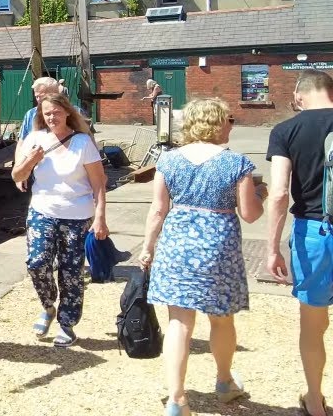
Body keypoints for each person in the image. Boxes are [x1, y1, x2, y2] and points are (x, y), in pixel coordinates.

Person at [138, 98, 263, 416]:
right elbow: (249, 214)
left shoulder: (169, 161)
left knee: (179, 323)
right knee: (221, 321)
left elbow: (157, 210)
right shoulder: (237, 163)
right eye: (229, 120)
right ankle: (224, 383)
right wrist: (262, 195)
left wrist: (147, 247)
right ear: (219, 123)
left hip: (177, 246)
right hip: (217, 251)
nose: (231, 125)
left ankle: (177, 400)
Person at [11, 92, 108, 347]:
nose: (51, 117)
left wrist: (100, 218)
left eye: (55, 112)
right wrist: (30, 161)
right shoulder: (35, 139)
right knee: (36, 262)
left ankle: (67, 323)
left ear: (67, 112)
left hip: (77, 215)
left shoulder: (82, 142)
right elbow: (16, 174)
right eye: (46, 113)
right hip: (43, 210)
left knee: (71, 271)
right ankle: (48, 304)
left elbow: (99, 183)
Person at [266, 70, 333, 416]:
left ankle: (315, 402)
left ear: (299, 95)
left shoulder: (286, 130)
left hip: (314, 233)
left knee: (313, 322)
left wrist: (272, 246)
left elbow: (278, 194)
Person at [15, 77, 67, 193]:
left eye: (42, 96)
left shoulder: (73, 113)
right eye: (36, 96)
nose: (38, 100)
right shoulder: (30, 115)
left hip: (69, 178)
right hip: (39, 178)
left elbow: (89, 145)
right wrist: (20, 170)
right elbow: (21, 145)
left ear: (56, 93)